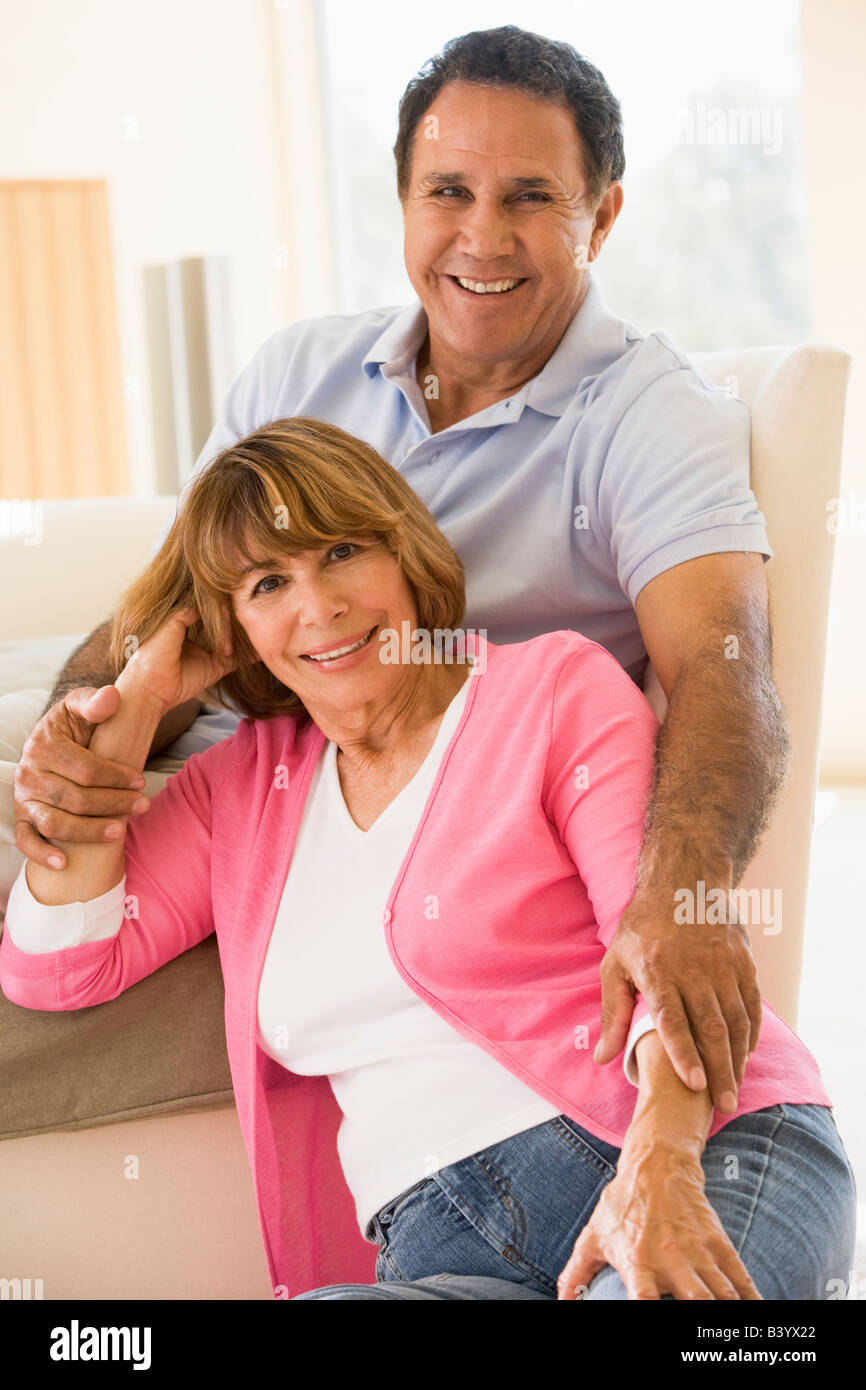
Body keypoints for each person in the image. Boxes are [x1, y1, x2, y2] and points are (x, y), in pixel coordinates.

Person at [14, 26, 786, 1118]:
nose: (481, 237)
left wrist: (685, 899)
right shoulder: (298, 369)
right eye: (446, 192)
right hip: (234, 770)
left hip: (397, 821)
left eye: (529, 197)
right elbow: (169, 611)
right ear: (402, 200)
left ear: (601, 216)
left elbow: (721, 674)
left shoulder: (649, 415)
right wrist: (82, 738)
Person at [0, 419, 855, 1300]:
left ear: (403, 550)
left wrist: (660, 1166)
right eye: (268, 584)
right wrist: (140, 702)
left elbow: (662, 948)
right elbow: (59, 963)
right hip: (446, 1259)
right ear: (230, 628)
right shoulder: (241, 789)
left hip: (699, 1151)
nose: (320, 606)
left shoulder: (552, 689)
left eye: (341, 551)